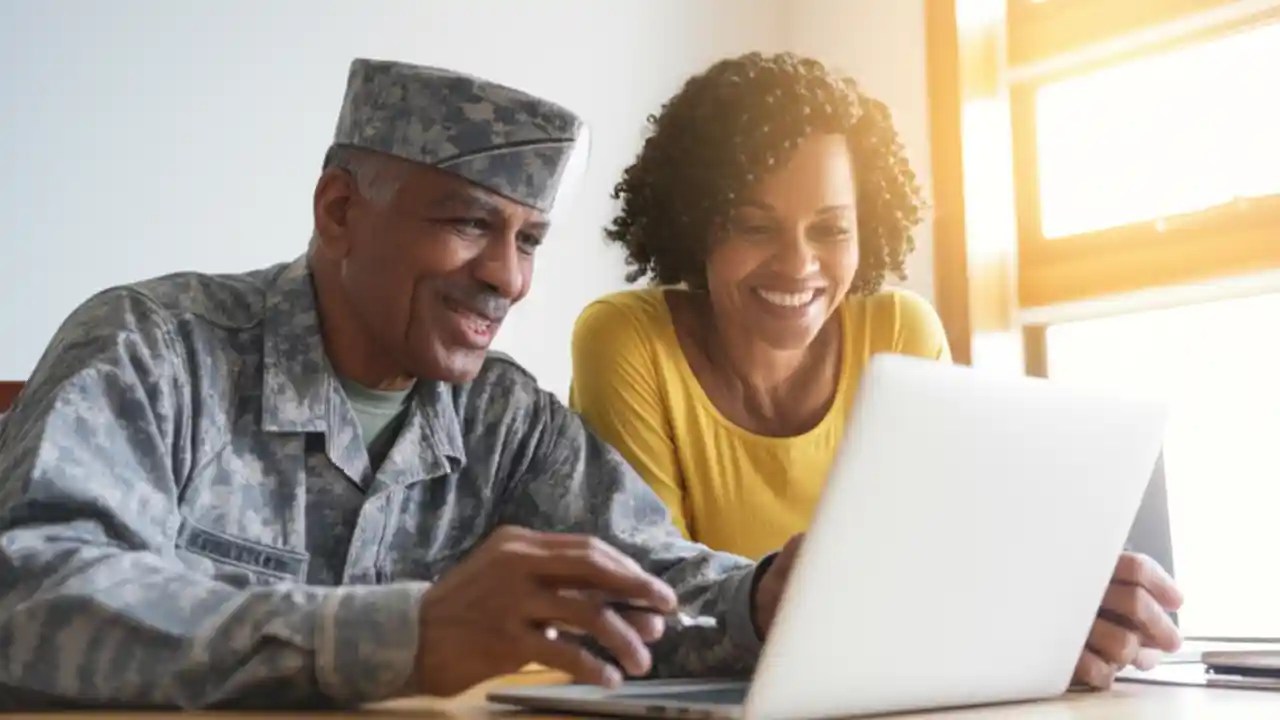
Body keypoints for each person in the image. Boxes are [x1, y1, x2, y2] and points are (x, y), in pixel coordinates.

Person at [0, 58, 800, 710]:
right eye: (470, 224)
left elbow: (650, 587)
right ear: (340, 210)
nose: (509, 279)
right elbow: (34, 588)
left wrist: (768, 599)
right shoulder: (153, 350)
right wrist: (401, 633)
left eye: (528, 240)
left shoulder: (506, 420)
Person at [568, 51, 1182, 689]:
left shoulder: (898, 332)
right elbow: (646, 594)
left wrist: (1051, 616)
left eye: (831, 229)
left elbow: (945, 567)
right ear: (696, 227)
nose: (798, 265)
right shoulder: (626, 340)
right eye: (755, 226)